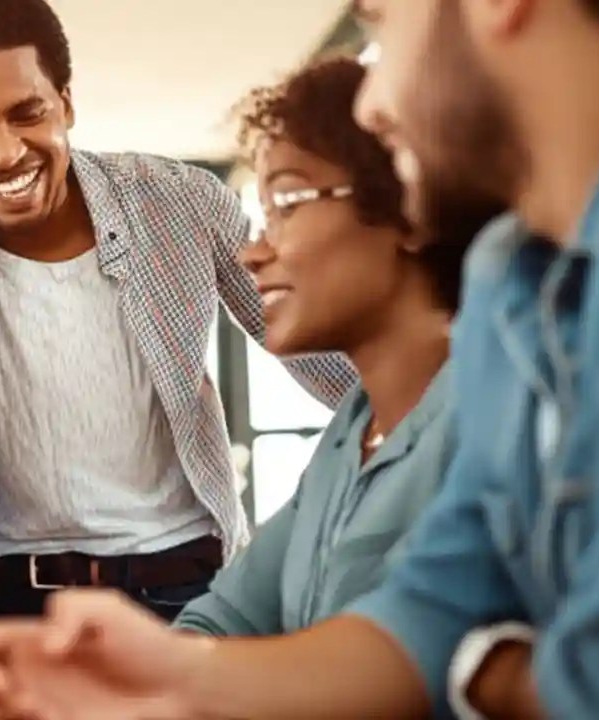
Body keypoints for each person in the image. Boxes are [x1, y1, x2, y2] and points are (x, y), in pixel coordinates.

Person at [0, 0, 599, 717]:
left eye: (380, 23)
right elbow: (431, 612)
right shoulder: (509, 278)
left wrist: (475, 669)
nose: (373, 105)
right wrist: (172, 674)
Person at [0, 0, 358, 621]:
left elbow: (331, 356)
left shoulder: (185, 203)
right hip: (6, 601)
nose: (4, 153)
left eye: (27, 113)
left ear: (65, 102)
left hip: (191, 589)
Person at [174, 56, 487, 639]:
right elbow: (226, 618)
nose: (252, 254)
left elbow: (397, 664)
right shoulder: (352, 433)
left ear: (410, 205)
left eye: (286, 205)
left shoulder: (493, 424)